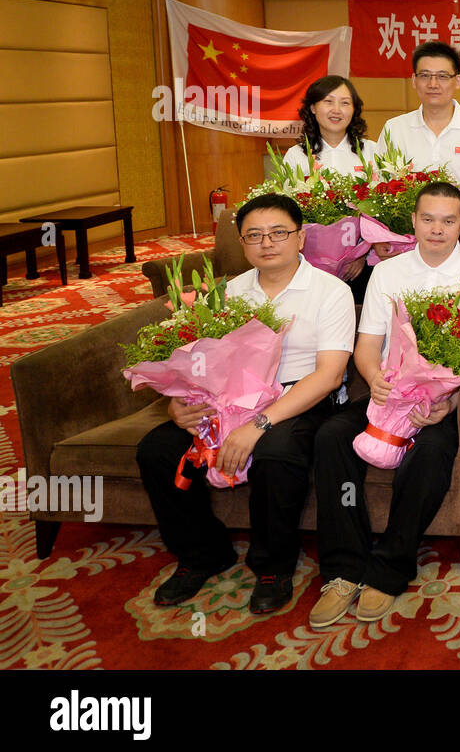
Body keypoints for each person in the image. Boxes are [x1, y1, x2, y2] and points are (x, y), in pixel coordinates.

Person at [136, 193, 354, 613]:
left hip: (300, 399)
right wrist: (178, 406)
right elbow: (198, 362)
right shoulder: (229, 292)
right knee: (158, 450)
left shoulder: (331, 292)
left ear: (301, 237)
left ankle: (273, 566)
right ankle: (203, 553)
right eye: (254, 235)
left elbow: (328, 376)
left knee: (276, 452)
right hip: (228, 400)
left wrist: (258, 425)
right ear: (241, 241)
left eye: (278, 233)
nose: (267, 243)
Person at [308, 181, 460, 628]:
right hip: (387, 393)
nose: (437, 229)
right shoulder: (388, 273)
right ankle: (343, 569)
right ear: (413, 221)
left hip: (439, 403)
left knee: (431, 452)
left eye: (448, 221)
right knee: (332, 435)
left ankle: (390, 567)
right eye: (428, 219)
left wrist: (448, 404)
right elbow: (368, 343)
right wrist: (374, 379)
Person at [377, 41, 460, 263]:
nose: (433, 83)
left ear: (458, 81)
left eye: (443, 76)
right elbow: (381, 190)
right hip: (407, 254)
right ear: (414, 80)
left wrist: (452, 232)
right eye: (425, 75)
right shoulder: (394, 129)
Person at [285, 75, 381, 296]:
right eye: (328, 101)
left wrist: (360, 254)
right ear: (312, 107)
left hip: (360, 266)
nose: (336, 110)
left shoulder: (371, 152)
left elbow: (379, 212)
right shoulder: (297, 156)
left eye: (345, 103)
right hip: (312, 263)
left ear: (354, 110)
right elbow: (291, 212)